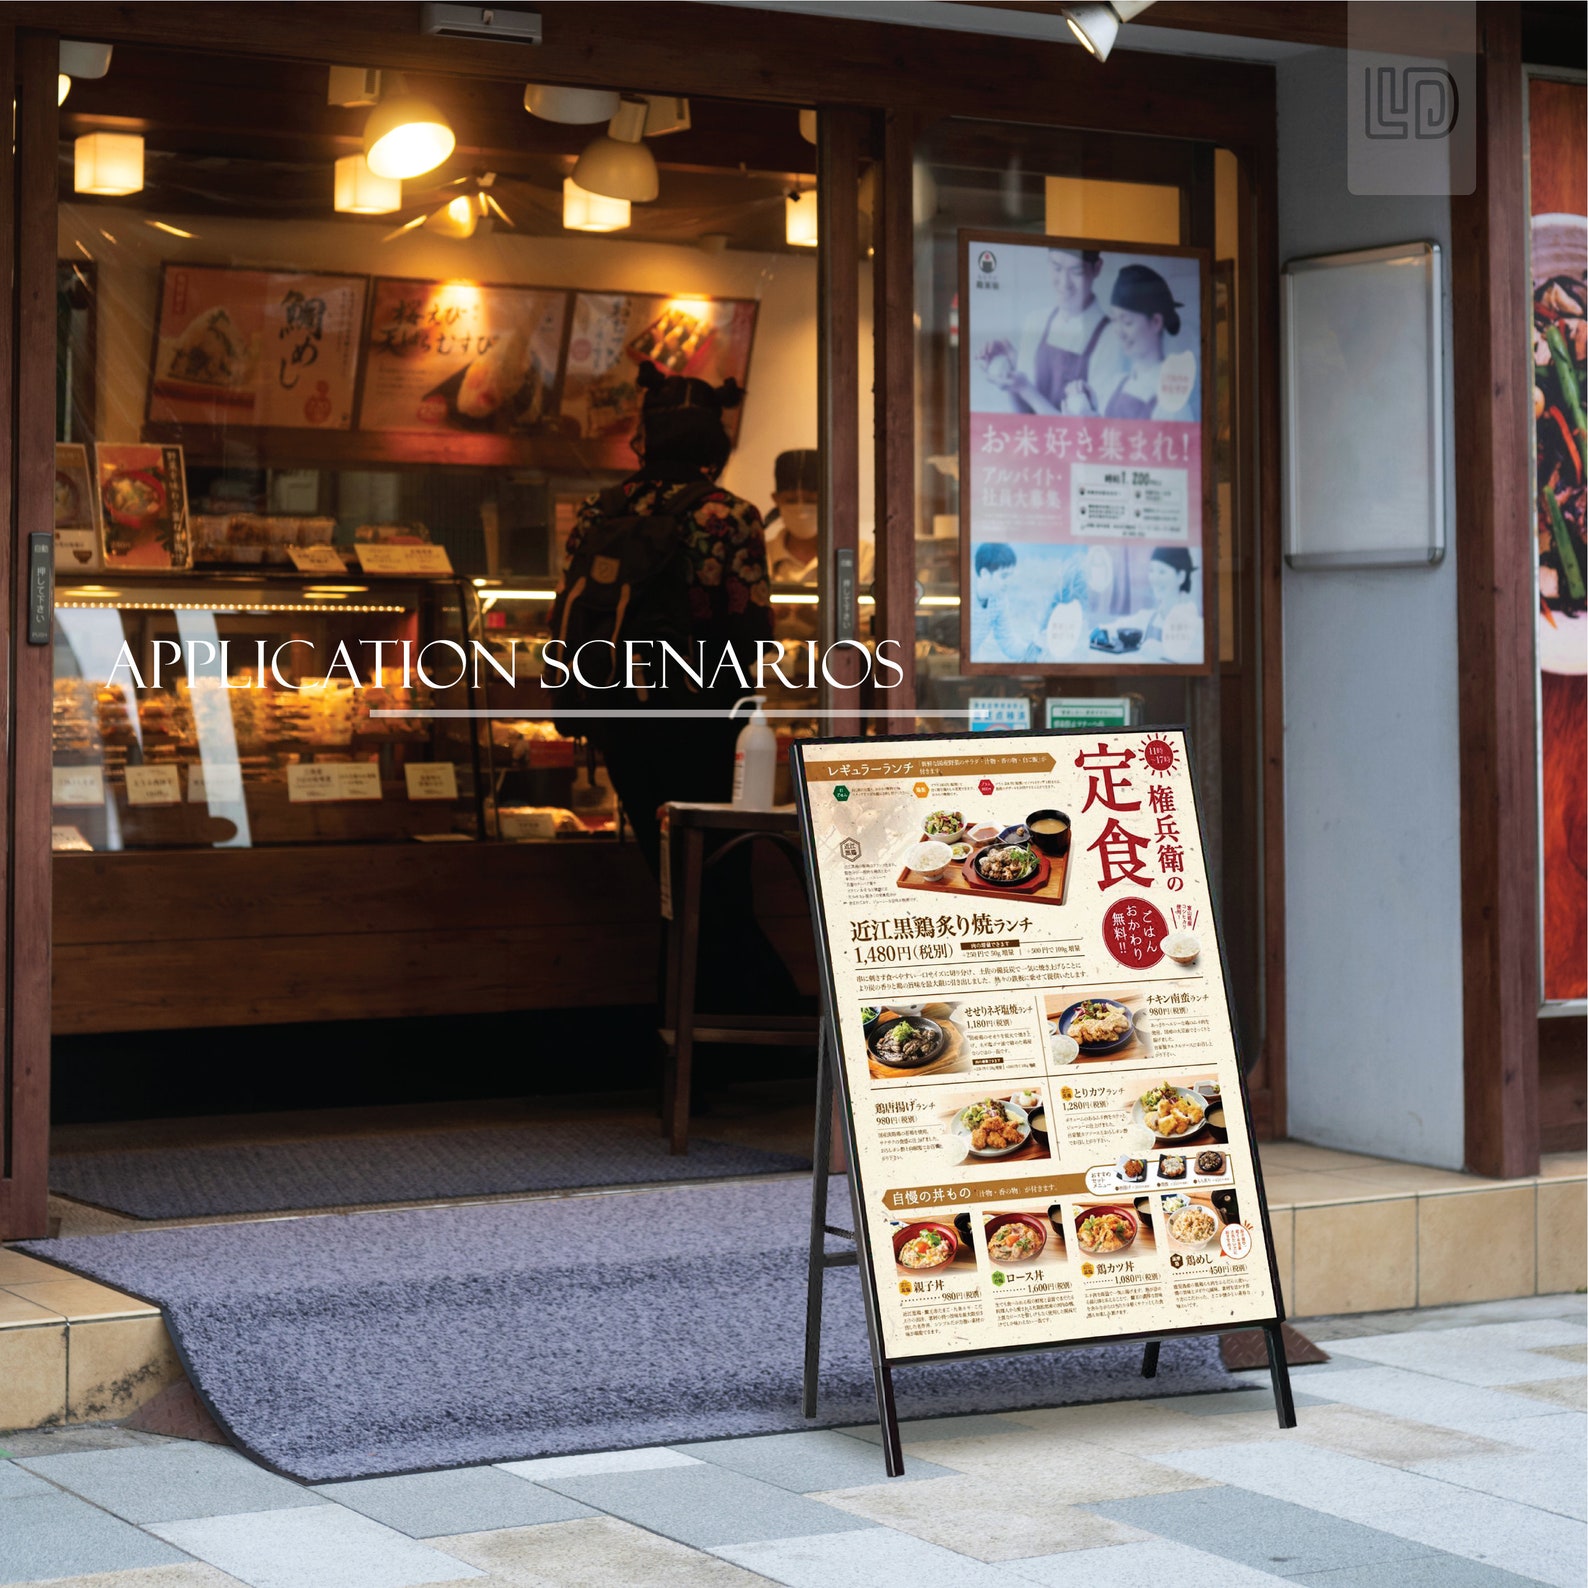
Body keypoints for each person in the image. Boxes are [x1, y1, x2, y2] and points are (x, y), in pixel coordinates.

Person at [976, 248, 1125, 418]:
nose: (1064, 283)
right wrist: (1009, 376)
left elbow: (1091, 429)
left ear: (1097, 268)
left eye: (1076, 271)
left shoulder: (1112, 337)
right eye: (1056, 268)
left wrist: (1025, 389)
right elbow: (1023, 414)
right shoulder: (1035, 321)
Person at [1096, 263, 1184, 420]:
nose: (1118, 331)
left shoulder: (1173, 401)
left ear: (1156, 322)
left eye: (1127, 321)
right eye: (1115, 320)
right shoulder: (1116, 384)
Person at [1127, 546, 1203, 661]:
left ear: (1181, 576)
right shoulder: (1146, 618)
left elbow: (1201, 656)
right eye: (1151, 570)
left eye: (1162, 571)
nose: (1154, 578)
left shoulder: (1197, 625)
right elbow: (1113, 628)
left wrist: (1163, 651)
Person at [765, 449, 820, 583]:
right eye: (791, 501)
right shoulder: (761, 557)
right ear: (776, 499)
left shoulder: (862, 556)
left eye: (811, 501)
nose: (802, 511)